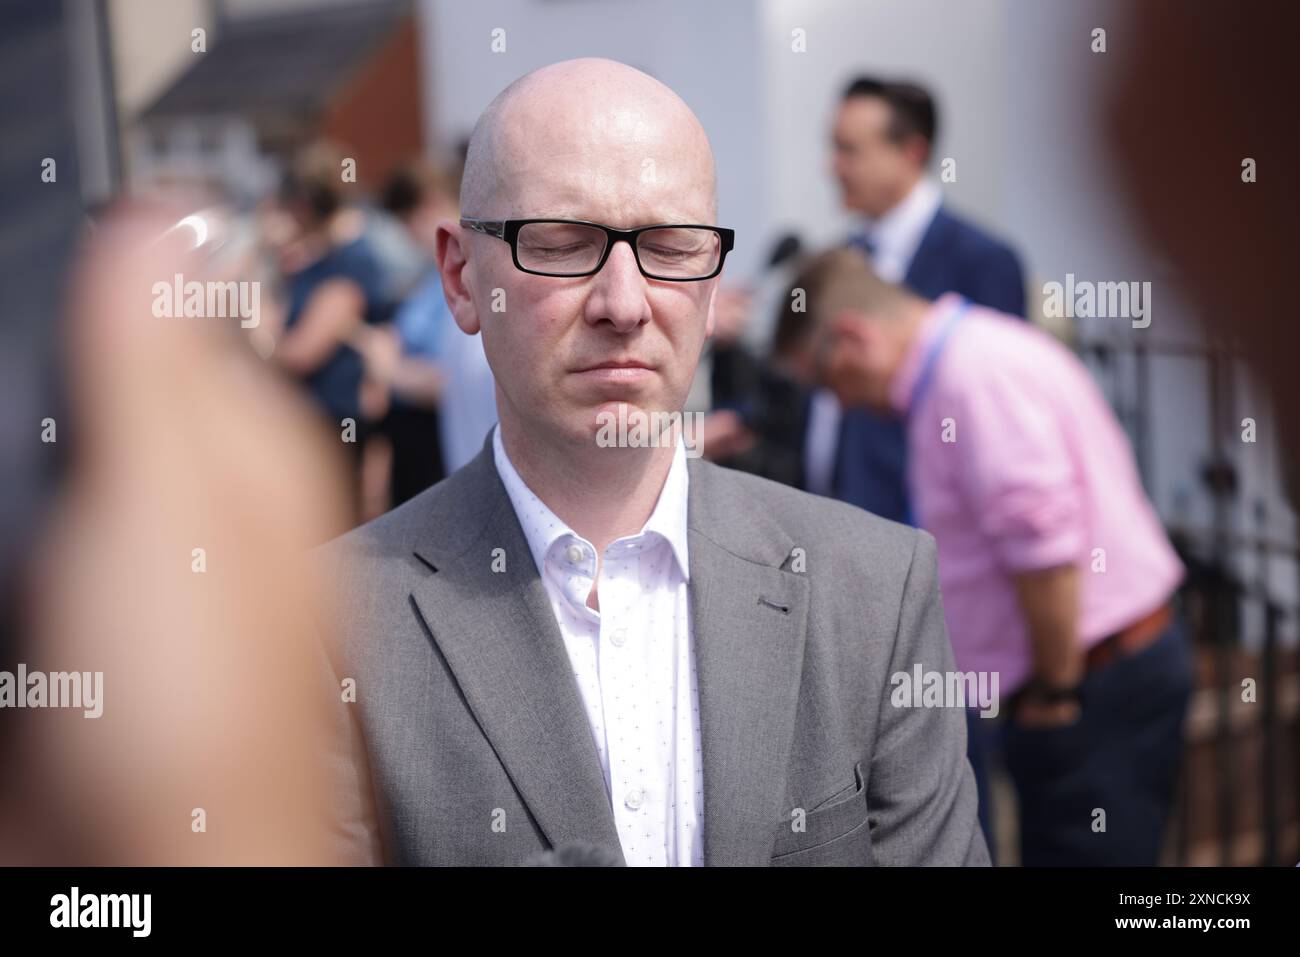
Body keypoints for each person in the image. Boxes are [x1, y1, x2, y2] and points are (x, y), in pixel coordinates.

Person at [313, 58, 988, 867]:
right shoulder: (323, 627)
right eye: (561, 245)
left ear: (712, 287)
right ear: (461, 277)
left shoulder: (875, 591)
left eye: (670, 248)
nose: (624, 303)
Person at [810, 248, 1192, 865]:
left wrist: (1055, 696)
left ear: (852, 336)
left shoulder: (971, 374)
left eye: (831, 383)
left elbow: (1043, 549)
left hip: (1089, 685)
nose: (844, 404)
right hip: (1091, 675)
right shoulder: (970, 356)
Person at [811, 77, 1029, 527]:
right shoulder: (843, 257)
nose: (832, 166)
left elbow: (997, 426)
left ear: (911, 152)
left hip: (924, 545)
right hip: (832, 529)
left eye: (848, 149)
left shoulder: (982, 263)